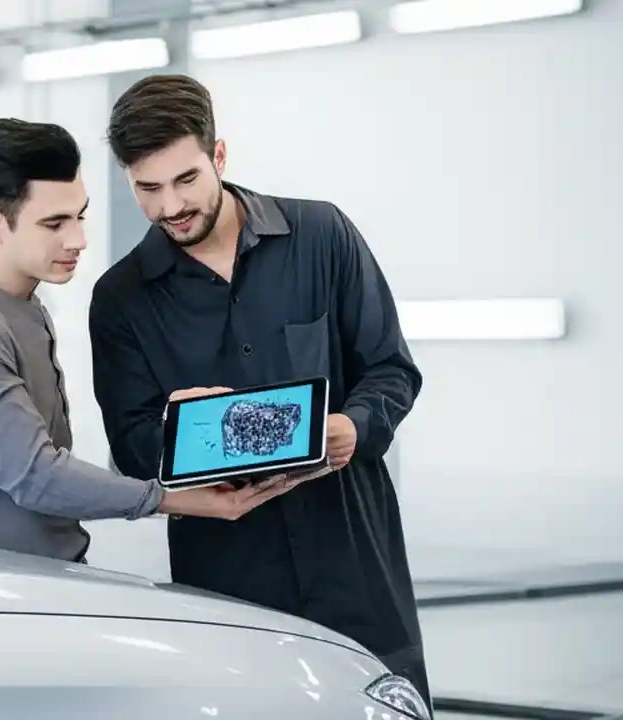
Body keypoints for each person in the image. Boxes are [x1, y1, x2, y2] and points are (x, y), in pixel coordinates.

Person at [90, 74, 430, 704]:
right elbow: (132, 445)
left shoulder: (322, 236)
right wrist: (177, 431)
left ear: (219, 155)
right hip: (228, 574)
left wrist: (353, 426)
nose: (170, 207)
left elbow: (391, 368)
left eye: (186, 179)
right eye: (148, 188)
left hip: (351, 551)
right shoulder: (120, 300)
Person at [0, 117, 304, 565]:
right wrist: (179, 499)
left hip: (43, 580)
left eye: (80, 216)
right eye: (54, 224)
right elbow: (36, 475)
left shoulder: (26, 305)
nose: (79, 239)